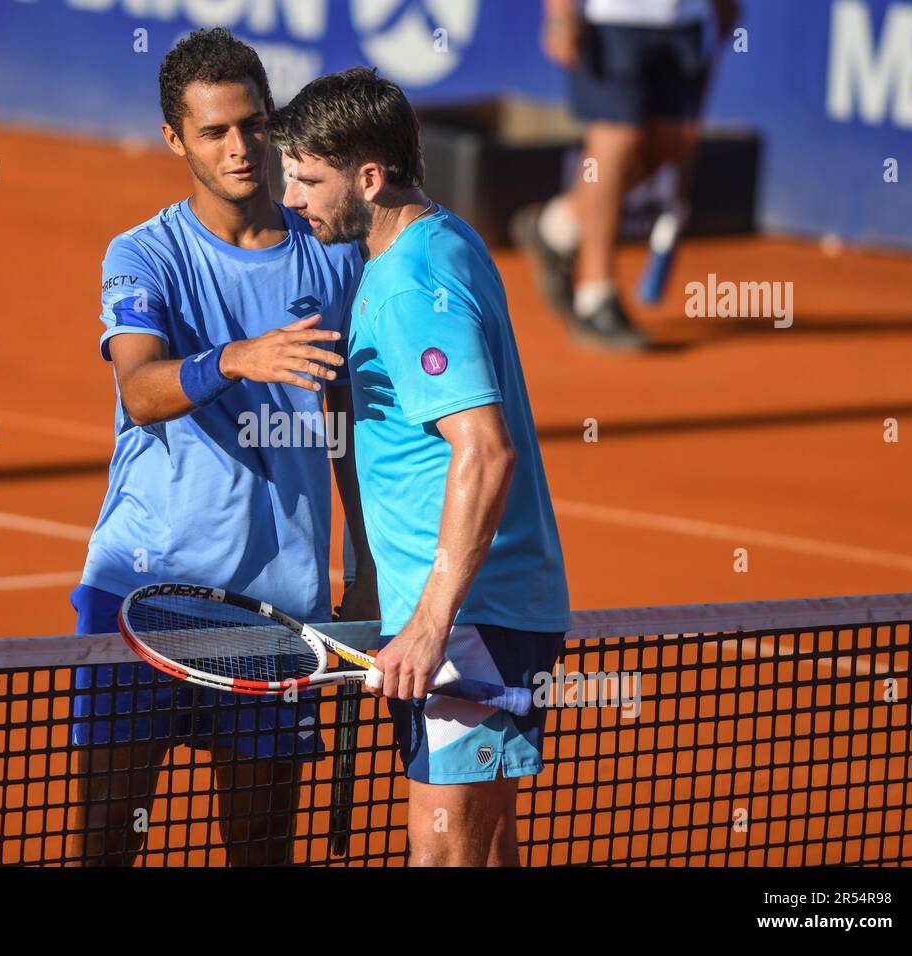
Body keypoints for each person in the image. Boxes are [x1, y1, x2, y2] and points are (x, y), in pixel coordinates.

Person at [70, 28, 375, 865]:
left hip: (278, 608)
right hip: (144, 593)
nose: (239, 149)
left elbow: (350, 417)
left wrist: (366, 559)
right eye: (213, 132)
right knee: (107, 836)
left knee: (262, 842)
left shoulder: (332, 255)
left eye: (251, 124)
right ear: (176, 139)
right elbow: (141, 389)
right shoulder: (144, 256)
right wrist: (236, 358)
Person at [270, 68, 572, 867]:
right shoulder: (441, 238)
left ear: (369, 177)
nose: (291, 197)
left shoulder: (409, 282)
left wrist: (433, 620)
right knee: (485, 849)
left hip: (468, 626)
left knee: (442, 858)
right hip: (470, 615)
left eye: (307, 179)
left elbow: (484, 446)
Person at [514, 0, 740, 350]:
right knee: (617, 139)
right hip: (611, 19)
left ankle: (558, 225)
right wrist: (560, 11)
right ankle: (596, 297)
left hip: (684, 21)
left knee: (671, 142)